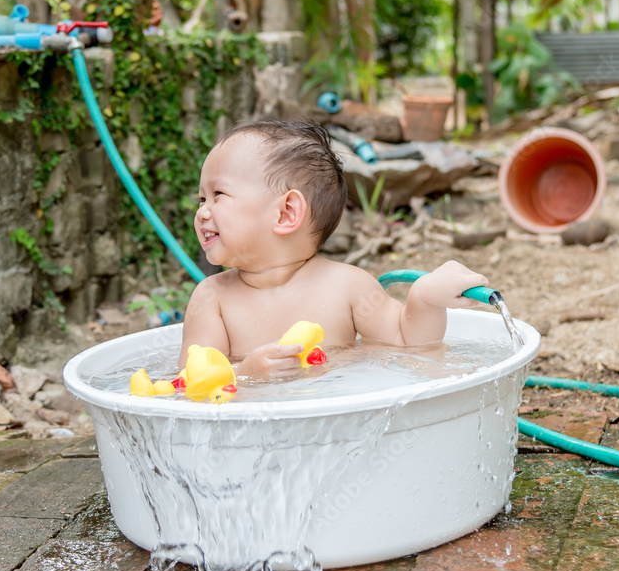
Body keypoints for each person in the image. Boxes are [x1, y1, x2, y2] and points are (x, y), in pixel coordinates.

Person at [179, 120, 489, 378]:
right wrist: (246, 375)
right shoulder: (212, 300)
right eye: (202, 199)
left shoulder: (348, 287)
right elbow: (191, 386)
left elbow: (412, 344)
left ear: (286, 213)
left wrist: (424, 300)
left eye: (218, 195)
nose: (203, 212)